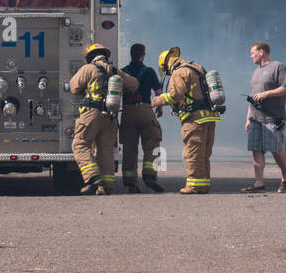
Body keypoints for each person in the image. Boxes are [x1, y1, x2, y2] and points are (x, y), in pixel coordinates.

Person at [68, 44, 138, 195]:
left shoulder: (88, 69)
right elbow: (134, 84)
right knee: (105, 149)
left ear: (90, 57)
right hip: (111, 116)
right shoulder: (114, 71)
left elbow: (73, 87)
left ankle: (92, 178)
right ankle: (107, 185)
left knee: (79, 144)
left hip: (92, 113)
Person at [152, 46, 221, 195]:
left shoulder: (178, 72)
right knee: (204, 153)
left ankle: (194, 185)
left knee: (192, 151)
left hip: (194, 119)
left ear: (166, 65)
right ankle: (203, 184)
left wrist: (157, 100)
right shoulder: (198, 68)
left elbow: (175, 95)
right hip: (209, 116)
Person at [242, 42, 286, 193]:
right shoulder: (255, 72)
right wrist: (248, 118)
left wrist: (266, 94)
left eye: (253, 53)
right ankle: (258, 183)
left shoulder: (278, 67)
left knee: (276, 148)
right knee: (256, 149)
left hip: (273, 117)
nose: (251, 56)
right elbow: (252, 98)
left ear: (262, 52)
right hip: (255, 118)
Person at [120, 42, 165, 193]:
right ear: (142, 55)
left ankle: (131, 183)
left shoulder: (122, 72)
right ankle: (150, 176)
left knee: (129, 148)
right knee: (152, 143)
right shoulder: (150, 71)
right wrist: (159, 107)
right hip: (145, 110)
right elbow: (158, 93)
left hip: (127, 112)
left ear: (131, 55)